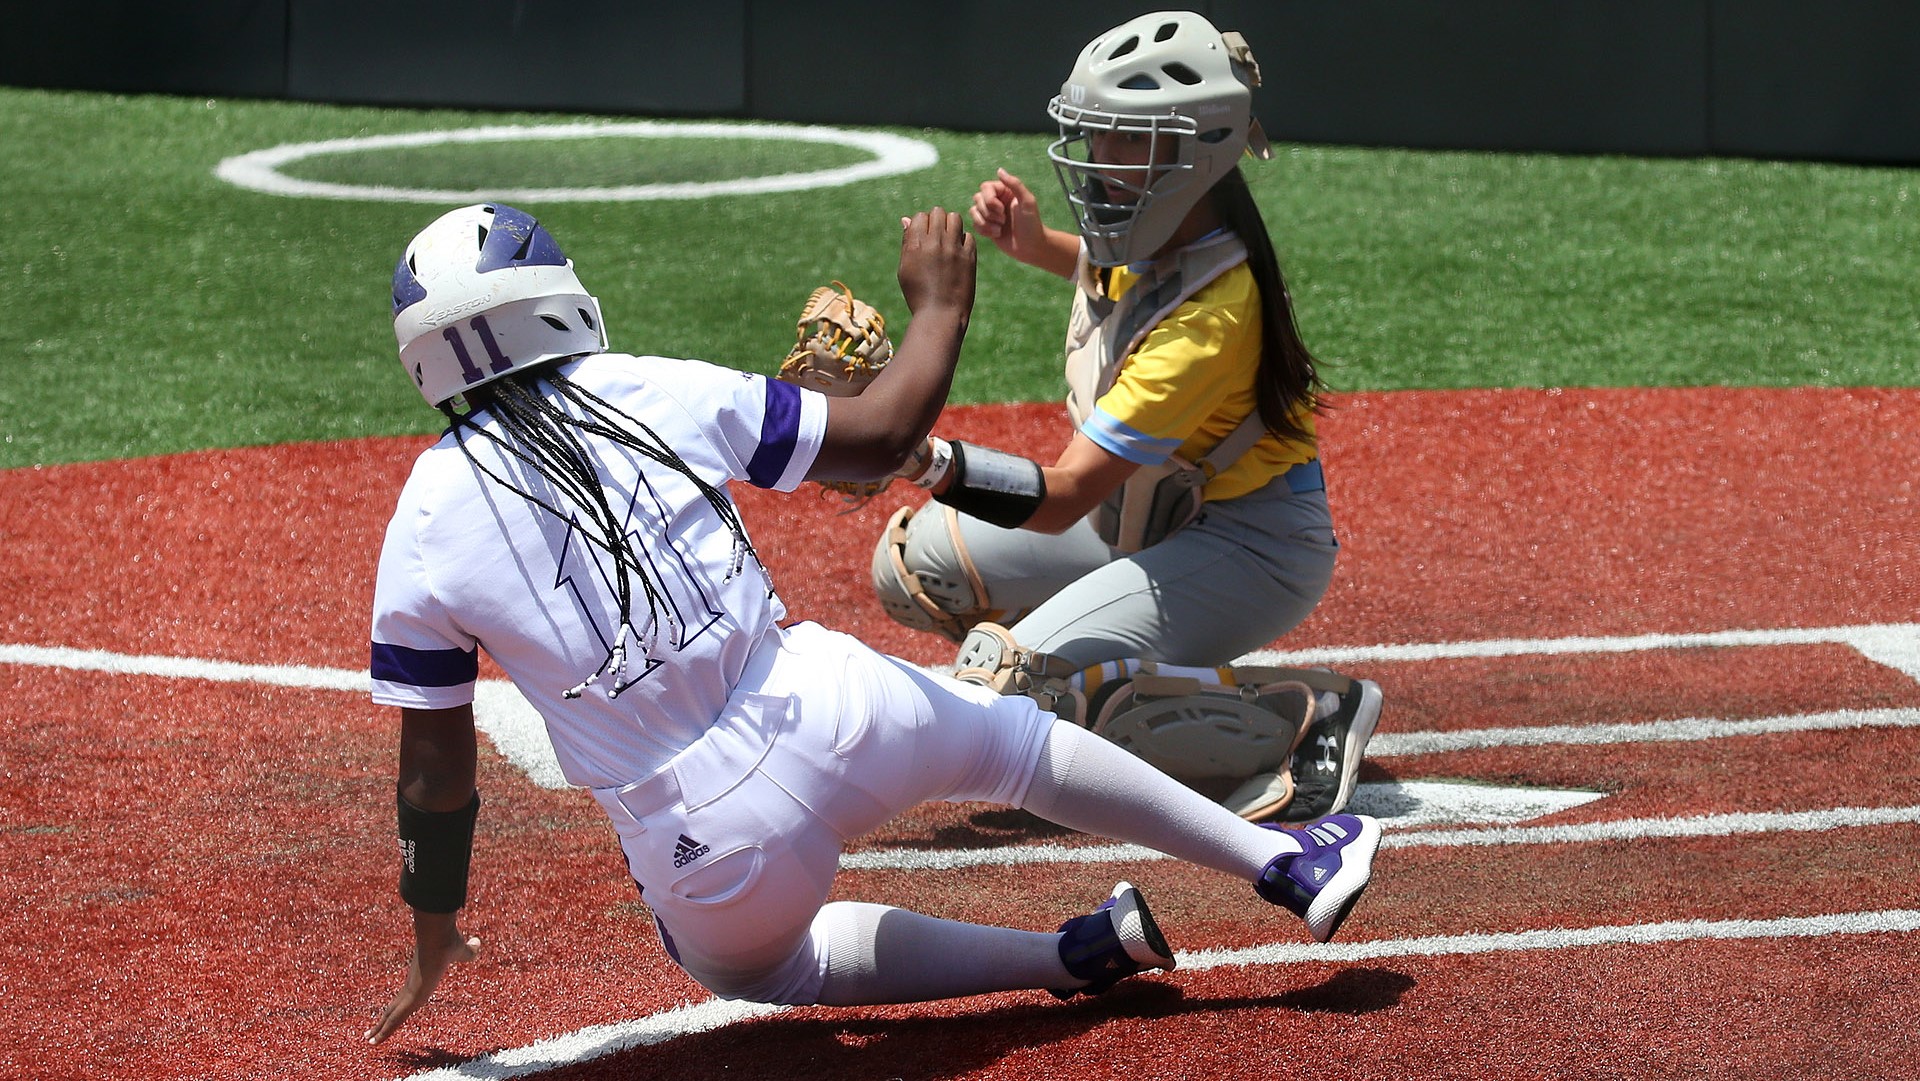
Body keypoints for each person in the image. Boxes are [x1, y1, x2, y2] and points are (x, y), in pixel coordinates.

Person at [363, 201, 1381, 1043]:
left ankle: (1069, 956)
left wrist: (432, 925)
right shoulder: (641, 384)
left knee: (762, 967)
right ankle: (1287, 861)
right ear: (556, 299)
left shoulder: (418, 519)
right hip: (828, 705)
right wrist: (940, 305)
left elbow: (434, 776)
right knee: (1027, 748)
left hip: (704, 844)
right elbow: (882, 436)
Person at [868, 10, 1381, 824]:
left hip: (1249, 547)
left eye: (1117, 139)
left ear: (1192, 152)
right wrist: (1039, 245)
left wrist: (919, 454)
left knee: (1012, 684)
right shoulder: (1168, 232)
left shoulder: (1211, 318)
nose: (1095, 158)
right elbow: (1122, 280)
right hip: (1150, 519)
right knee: (917, 564)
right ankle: (1109, 668)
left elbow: (1065, 493)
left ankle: (1297, 716)